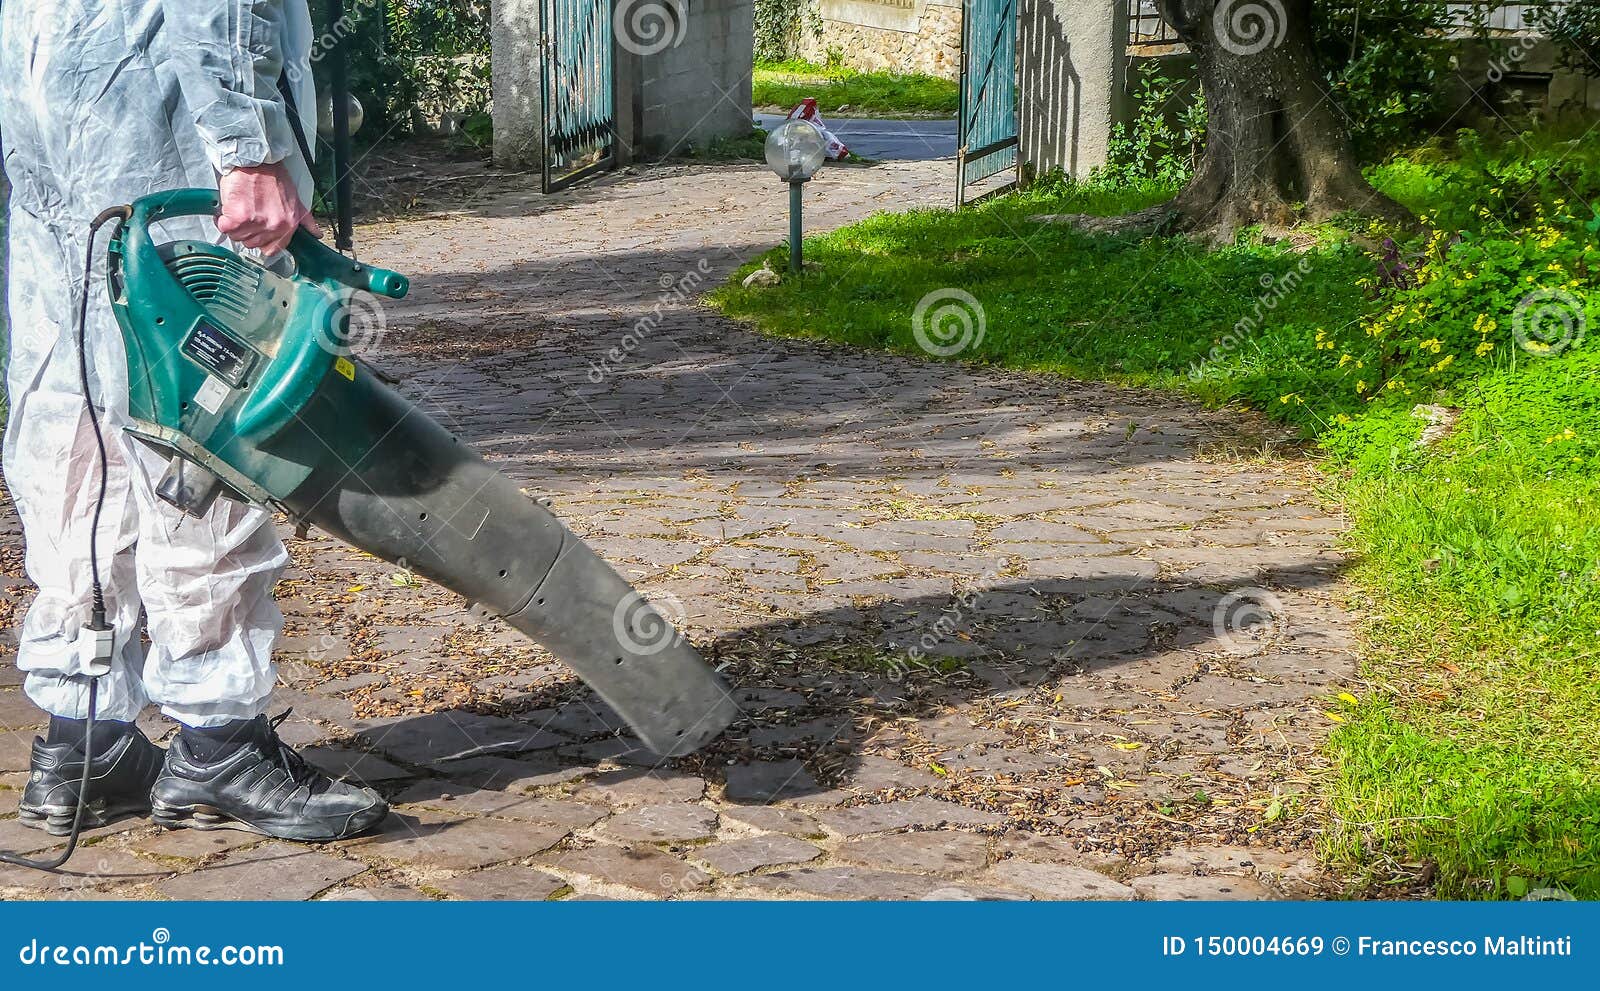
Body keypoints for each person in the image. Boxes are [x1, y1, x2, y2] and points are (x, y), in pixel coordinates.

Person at [1, 1, 388, 841]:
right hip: (163, 112)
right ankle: (218, 745)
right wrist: (248, 143)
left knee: (79, 419)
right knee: (206, 417)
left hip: (49, 112)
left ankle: (84, 737)